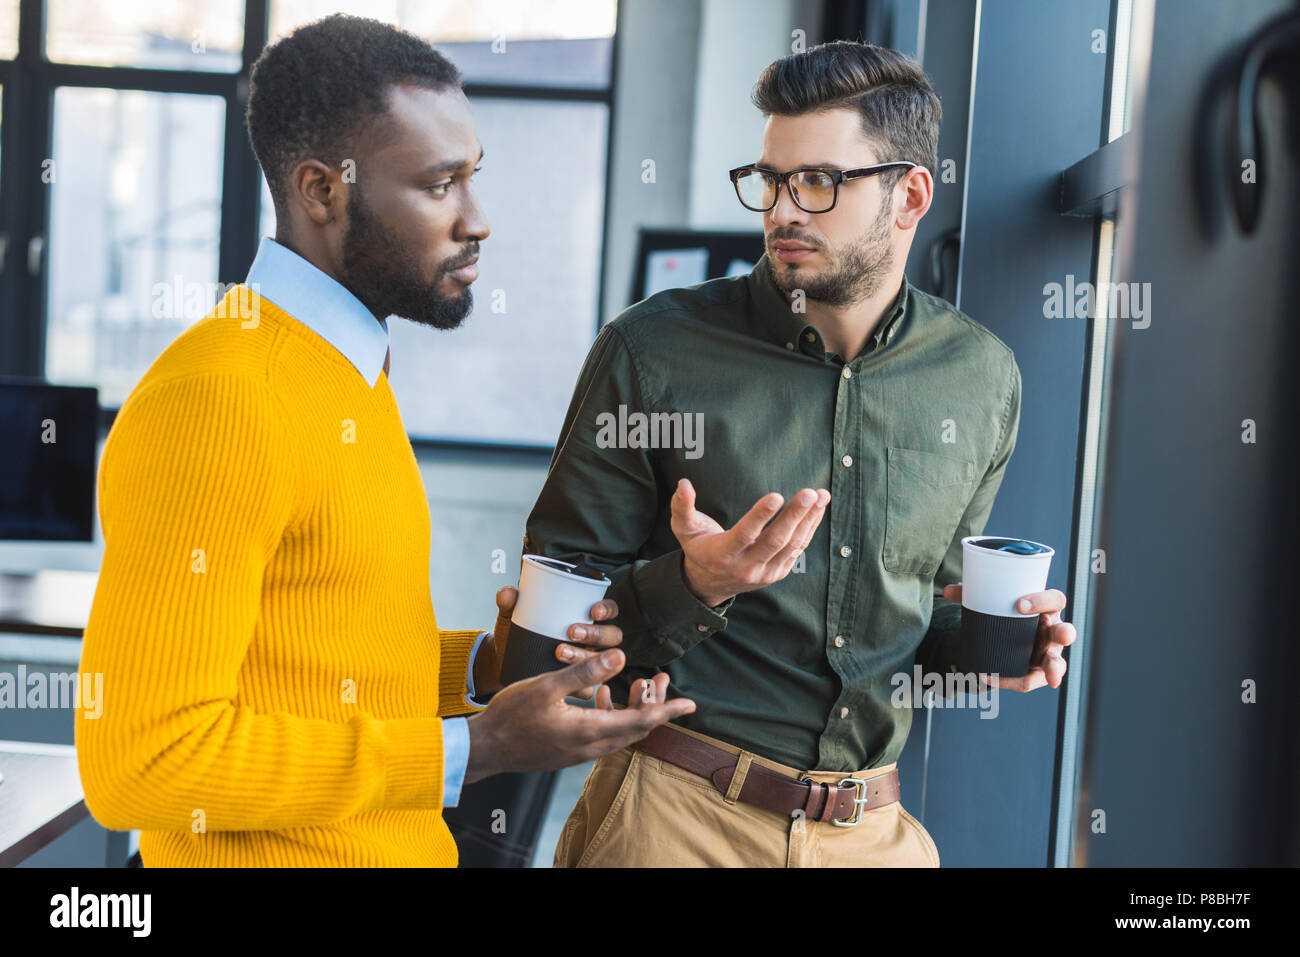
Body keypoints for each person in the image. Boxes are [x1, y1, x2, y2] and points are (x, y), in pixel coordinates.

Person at [75, 14, 692, 868]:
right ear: (323, 191)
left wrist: (484, 666)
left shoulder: (347, 372)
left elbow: (315, 664)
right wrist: (476, 747)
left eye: (474, 177)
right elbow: (144, 761)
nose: (479, 219)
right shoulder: (221, 395)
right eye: (441, 185)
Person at [526, 40, 1077, 868]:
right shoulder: (652, 350)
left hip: (877, 834)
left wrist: (996, 648)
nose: (783, 210)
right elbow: (548, 621)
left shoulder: (981, 375)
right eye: (771, 181)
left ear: (909, 196)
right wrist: (696, 582)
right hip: (678, 817)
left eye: (818, 182)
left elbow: (916, 611)